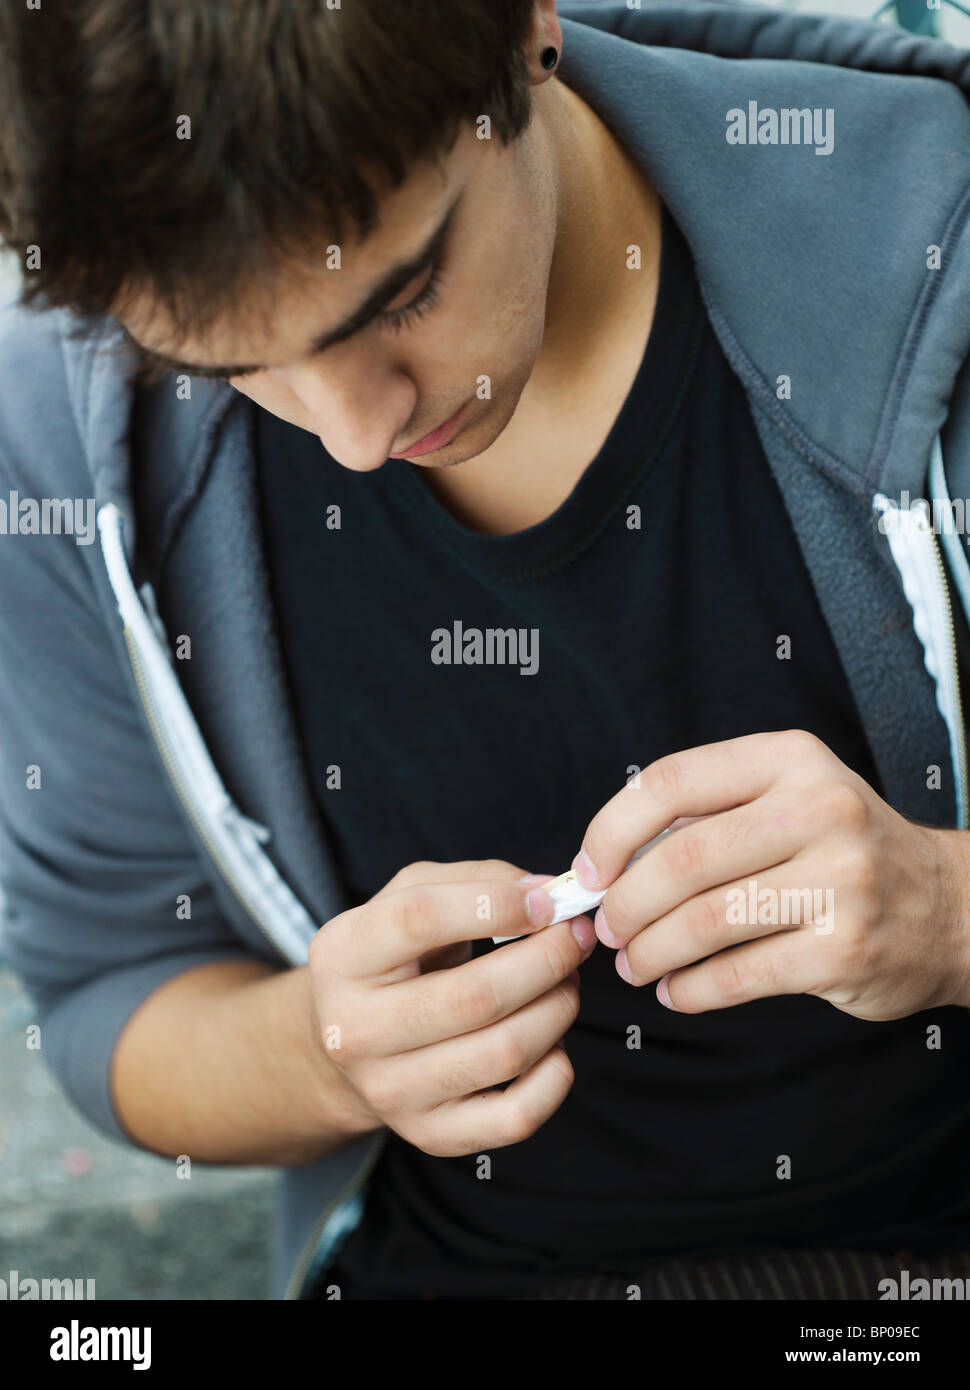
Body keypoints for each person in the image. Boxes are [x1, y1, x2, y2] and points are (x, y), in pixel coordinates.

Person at [2, 0, 970, 1303]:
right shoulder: (71, 437)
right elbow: (110, 992)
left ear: (526, 31)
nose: (350, 434)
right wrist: (323, 1053)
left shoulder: (931, 249)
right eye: (232, 362)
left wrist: (941, 909)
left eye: (399, 295)